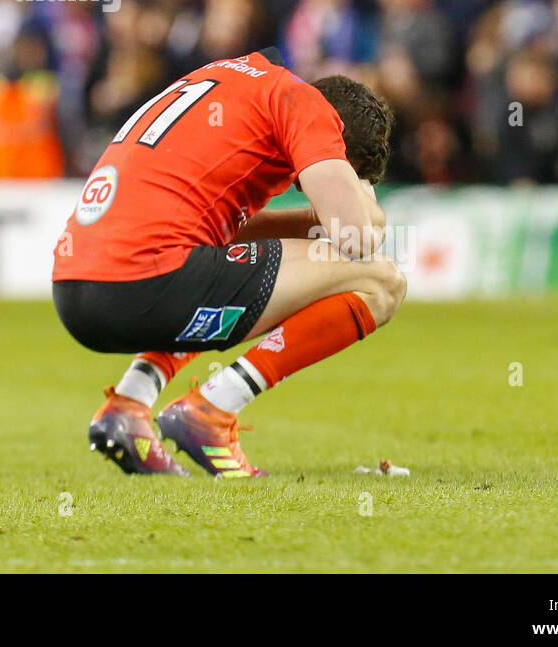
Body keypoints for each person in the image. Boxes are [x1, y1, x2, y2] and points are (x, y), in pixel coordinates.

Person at [53, 51, 404, 477]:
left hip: (76, 291)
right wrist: (363, 201)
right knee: (382, 280)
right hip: (142, 283)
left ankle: (130, 402)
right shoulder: (307, 106)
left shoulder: (230, 80)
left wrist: (313, 222)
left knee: (215, 266)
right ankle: (212, 411)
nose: (298, 184)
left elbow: (218, 235)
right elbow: (355, 237)